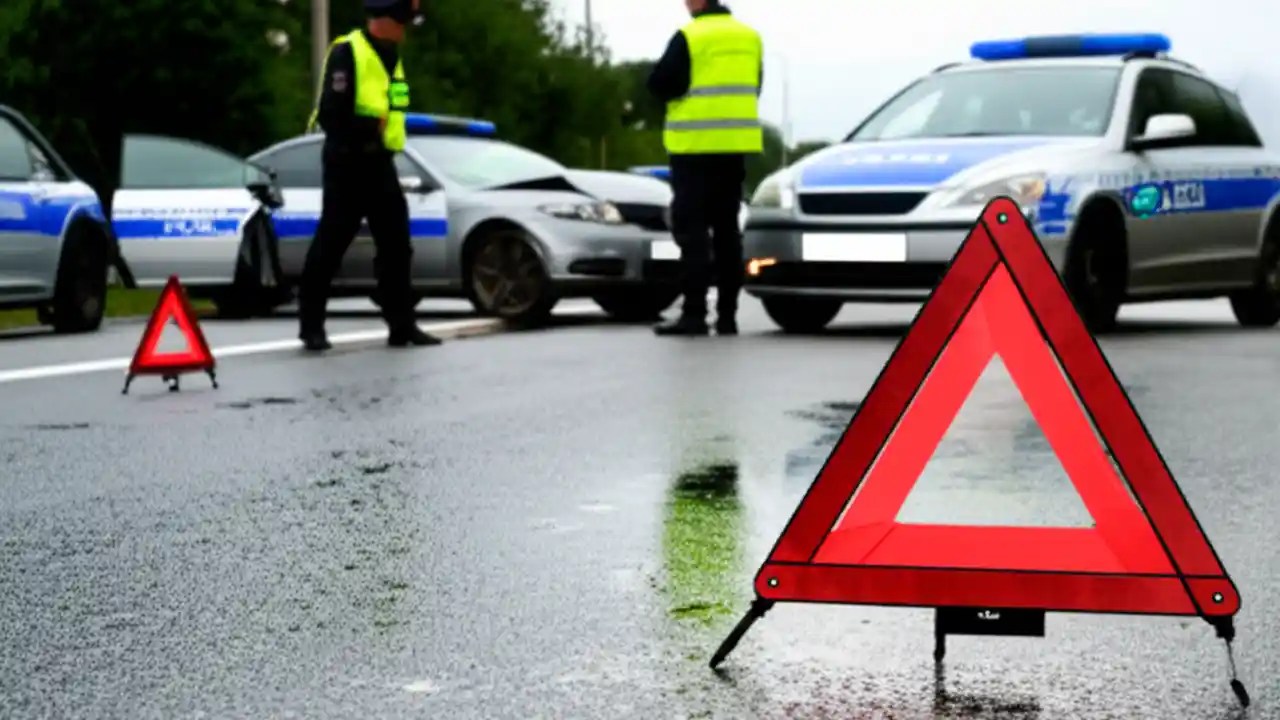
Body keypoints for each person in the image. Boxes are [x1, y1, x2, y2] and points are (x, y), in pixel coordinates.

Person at [297, 0, 440, 351]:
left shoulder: (394, 58)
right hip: (347, 162)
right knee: (331, 243)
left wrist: (390, 136)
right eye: (403, 22)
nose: (406, 30)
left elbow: (397, 109)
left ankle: (402, 325)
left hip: (381, 164)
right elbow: (331, 114)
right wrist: (369, 127)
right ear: (385, 20)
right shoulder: (349, 51)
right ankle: (311, 327)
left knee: (396, 245)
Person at [647, 0, 763, 337]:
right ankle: (728, 316)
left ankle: (694, 314)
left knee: (692, 232)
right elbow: (755, 86)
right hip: (734, 149)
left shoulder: (690, 35)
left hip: (694, 149)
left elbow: (660, 84)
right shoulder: (749, 37)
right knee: (727, 232)